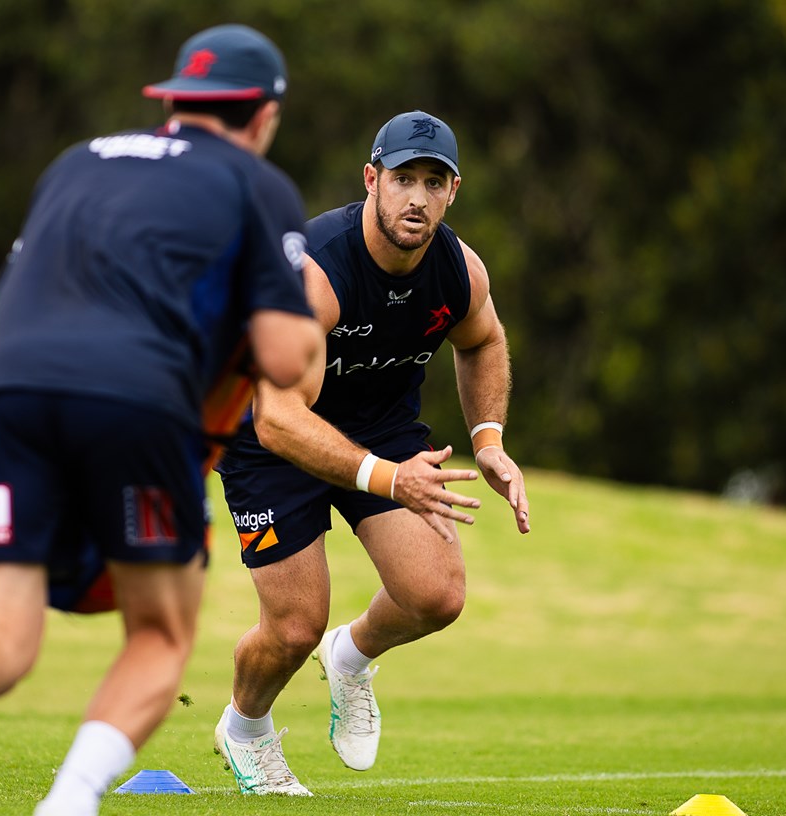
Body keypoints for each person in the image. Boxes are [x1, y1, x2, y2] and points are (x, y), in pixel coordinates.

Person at [0, 24, 320, 816]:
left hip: (2, 398)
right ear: (262, 117)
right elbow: (287, 360)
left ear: (176, 99)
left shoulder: (76, 162)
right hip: (137, 402)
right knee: (159, 633)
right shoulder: (256, 184)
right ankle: (71, 801)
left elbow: (9, 319)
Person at [211, 110, 530, 795]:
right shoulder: (317, 273)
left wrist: (489, 441)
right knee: (295, 625)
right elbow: (278, 418)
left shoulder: (458, 271)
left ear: (454, 192)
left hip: (380, 427)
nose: (416, 196)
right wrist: (389, 480)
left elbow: (484, 342)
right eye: (403, 178)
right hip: (271, 434)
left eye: (433, 182)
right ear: (371, 180)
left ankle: (351, 657)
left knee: (436, 595)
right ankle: (244, 730)